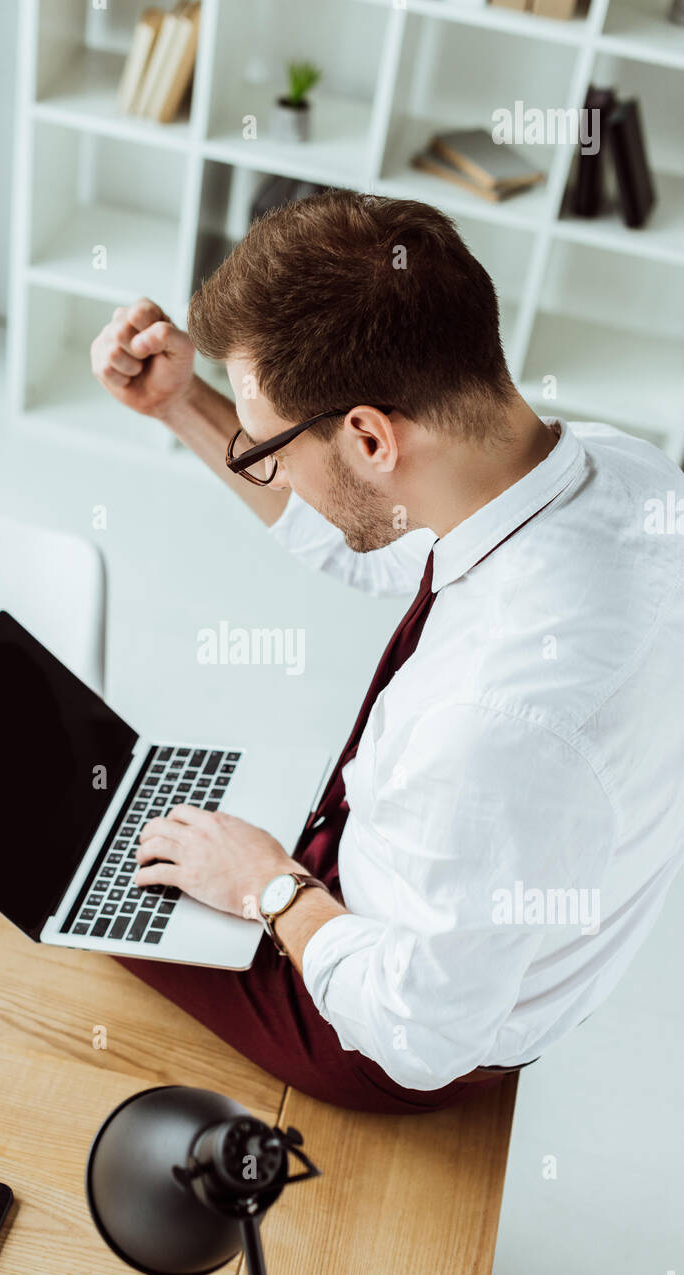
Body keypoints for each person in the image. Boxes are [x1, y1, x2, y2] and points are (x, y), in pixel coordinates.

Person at [89, 191, 684, 1114]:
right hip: (461, 901)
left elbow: (419, 1036)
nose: (266, 466)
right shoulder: (616, 472)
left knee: (83, 878)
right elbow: (385, 543)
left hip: (389, 1021)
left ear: (370, 436)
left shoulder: (490, 729)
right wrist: (181, 405)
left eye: (270, 447)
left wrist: (271, 889)